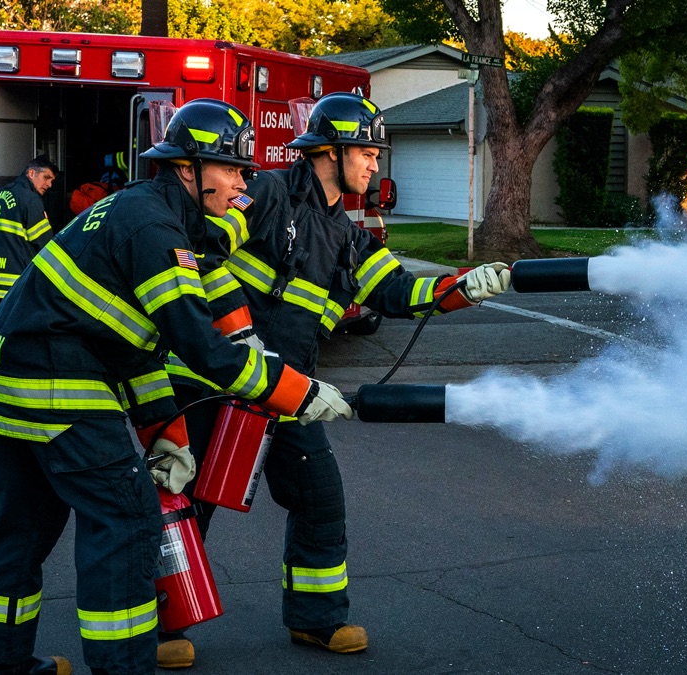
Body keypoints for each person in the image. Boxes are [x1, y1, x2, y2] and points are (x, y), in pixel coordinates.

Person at [0, 98, 355, 675]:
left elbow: (139, 348)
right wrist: (296, 392)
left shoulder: (142, 211)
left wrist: (164, 434)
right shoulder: (156, 229)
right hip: (54, 382)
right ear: (187, 168)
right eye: (231, 169)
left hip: (8, 375)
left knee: (24, 528)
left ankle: (0, 664)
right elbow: (201, 347)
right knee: (127, 521)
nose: (241, 182)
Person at [160, 92, 511, 668]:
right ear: (331, 150)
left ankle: (317, 620)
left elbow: (399, 292)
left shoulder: (345, 235)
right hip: (214, 381)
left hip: (287, 392)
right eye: (368, 152)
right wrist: (237, 338)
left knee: (319, 497)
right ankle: (159, 628)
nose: (376, 164)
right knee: (190, 502)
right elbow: (202, 250)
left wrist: (461, 290)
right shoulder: (266, 194)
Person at [0, 155, 58, 318]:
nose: (49, 184)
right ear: (31, 173)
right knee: (16, 339)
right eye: (46, 177)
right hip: (14, 284)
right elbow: (45, 245)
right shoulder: (30, 199)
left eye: (52, 181)